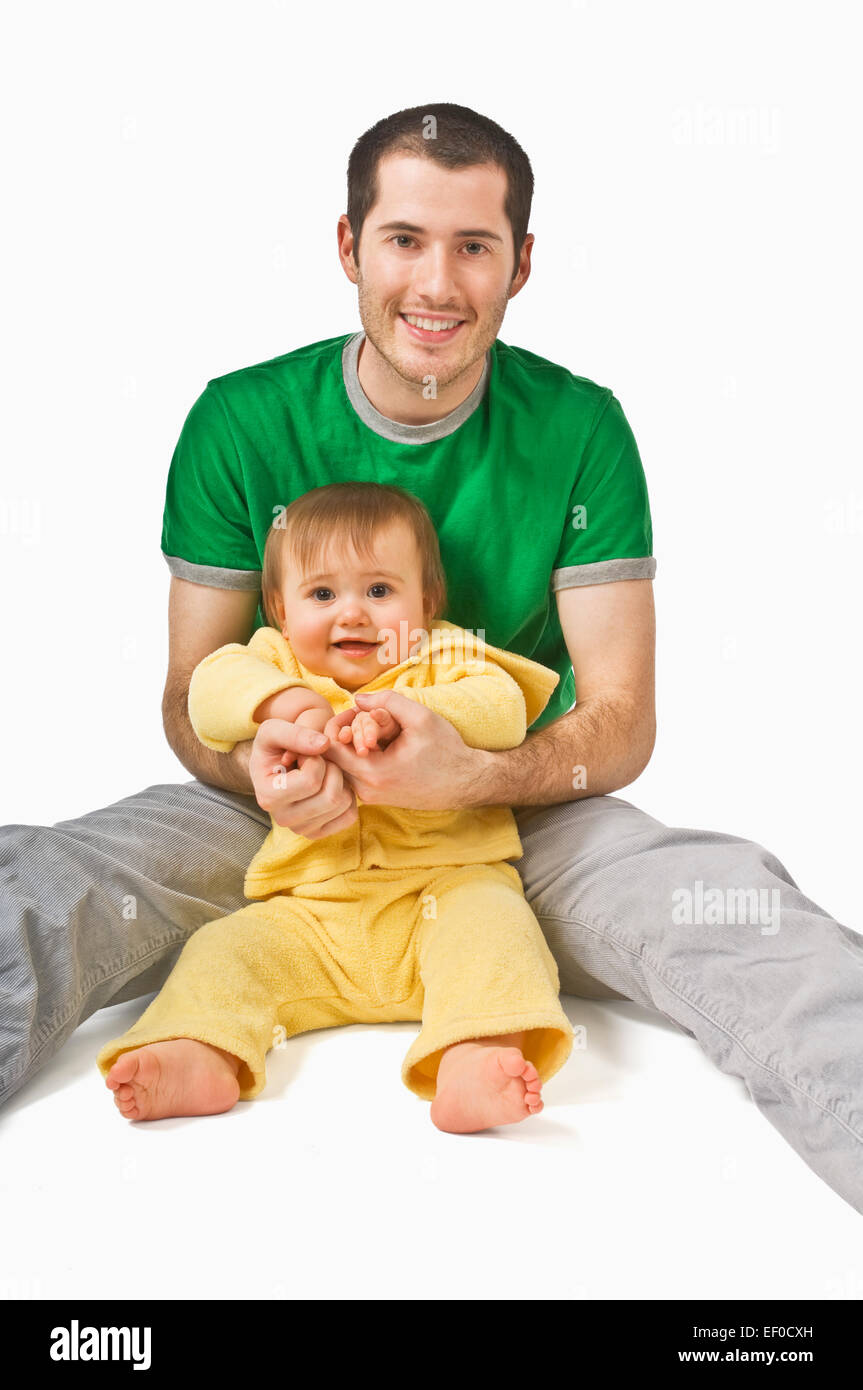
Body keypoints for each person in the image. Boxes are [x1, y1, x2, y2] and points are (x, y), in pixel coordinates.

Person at [1, 102, 860, 1213]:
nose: (436, 284)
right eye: (404, 239)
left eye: (473, 246)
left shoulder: (581, 426)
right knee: (49, 882)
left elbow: (621, 720)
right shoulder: (238, 418)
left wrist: (478, 774)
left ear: (522, 262)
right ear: (350, 245)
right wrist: (261, 759)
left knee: (732, 908)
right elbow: (190, 695)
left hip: (511, 821)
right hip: (273, 815)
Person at [96, 483, 575, 1131]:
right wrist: (287, 707)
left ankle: (472, 1054)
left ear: (426, 602)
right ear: (279, 608)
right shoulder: (274, 661)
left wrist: (414, 717)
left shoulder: (447, 653)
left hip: (444, 895)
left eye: (379, 592)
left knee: (496, 932)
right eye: (322, 594)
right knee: (223, 951)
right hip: (311, 917)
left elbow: (503, 708)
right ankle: (200, 1050)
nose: (352, 615)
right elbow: (209, 689)